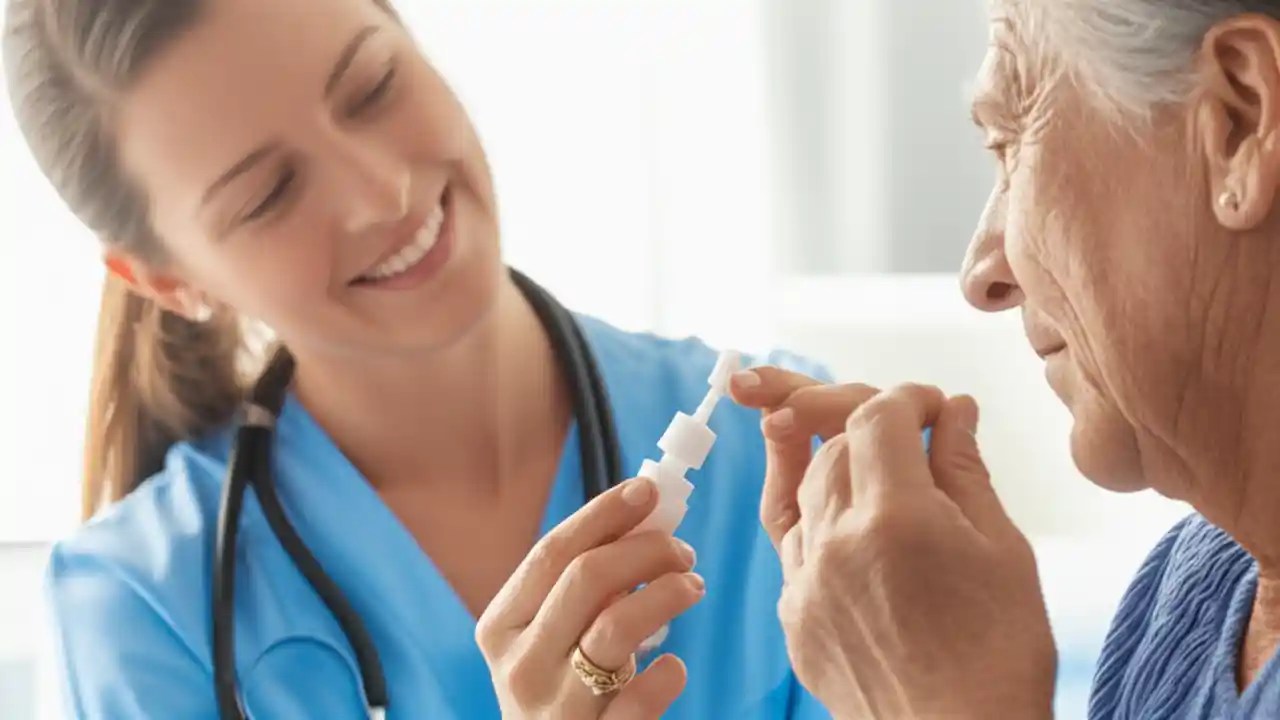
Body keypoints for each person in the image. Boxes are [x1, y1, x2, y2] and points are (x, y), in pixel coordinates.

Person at [3, 0, 834, 717]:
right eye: (269, 195)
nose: (383, 194)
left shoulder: (786, 454)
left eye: (371, 88)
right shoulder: (144, 611)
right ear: (168, 280)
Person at [726, 1, 1280, 718]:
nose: (983, 273)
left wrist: (946, 702)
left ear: (1240, 120)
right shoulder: (1193, 596)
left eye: (1011, 139)